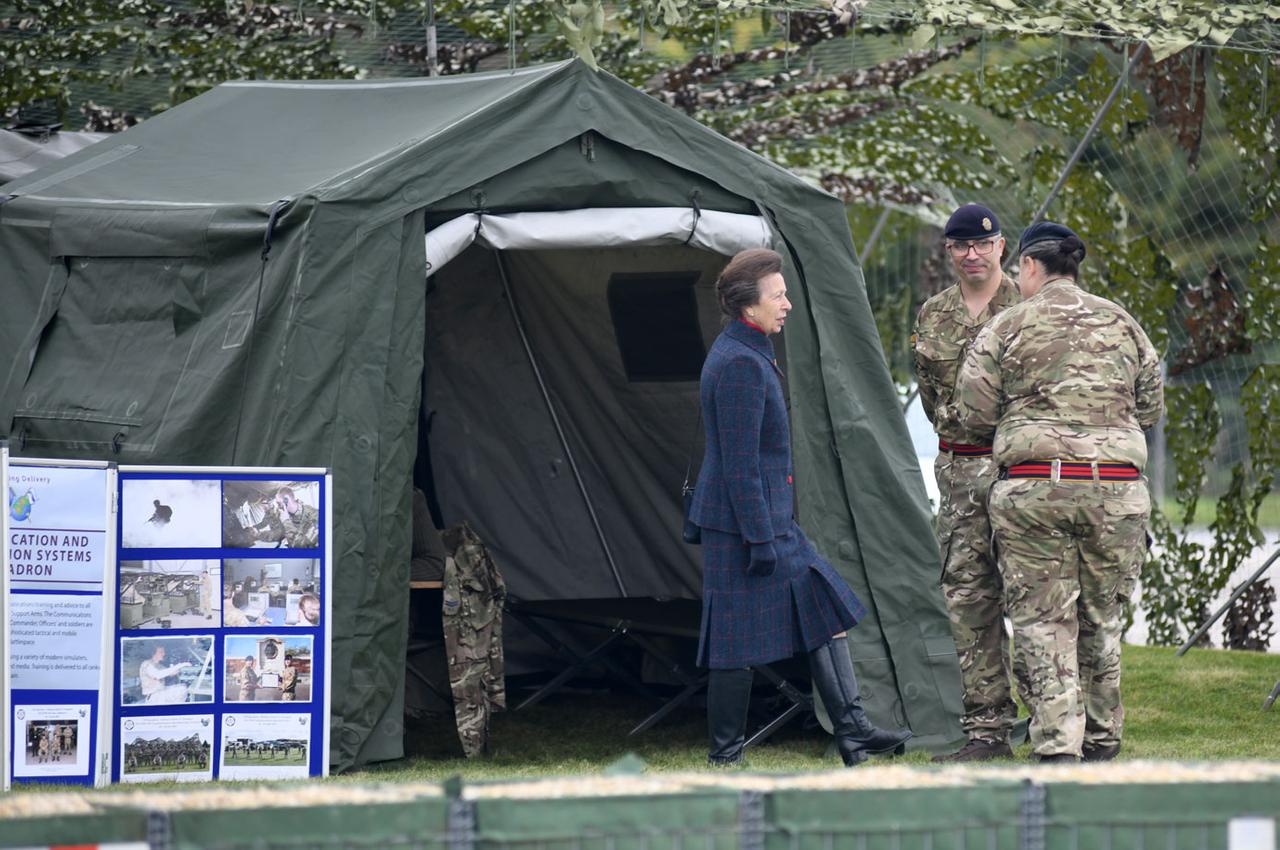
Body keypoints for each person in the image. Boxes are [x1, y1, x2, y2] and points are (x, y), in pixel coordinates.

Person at [687, 247, 912, 767]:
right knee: (733, 642)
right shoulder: (740, 363)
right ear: (749, 306)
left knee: (822, 602)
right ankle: (724, 756)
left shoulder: (747, 349)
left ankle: (853, 732)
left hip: (764, 519)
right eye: (779, 295)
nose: (787, 303)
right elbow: (740, 465)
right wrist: (760, 538)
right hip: (746, 524)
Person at [948, 222, 1163, 763]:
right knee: (1102, 617)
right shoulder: (1123, 323)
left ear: (1027, 267)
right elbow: (1151, 406)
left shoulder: (1007, 326)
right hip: (1117, 492)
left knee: (1044, 620)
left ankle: (1057, 750)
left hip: (1035, 492)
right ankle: (1101, 740)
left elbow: (972, 414)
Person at [912, 203, 1024, 763]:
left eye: (983, 244)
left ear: (1002, 247)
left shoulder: (1030, 306)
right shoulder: (935, 314)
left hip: (1021, 473)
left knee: (1036, 597)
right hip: (959, 475)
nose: (972, 254)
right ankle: (988, 732)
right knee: (970, 601)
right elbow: (933, 400)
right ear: (949, 253)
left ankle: (1058, 724)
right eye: (961, 246)